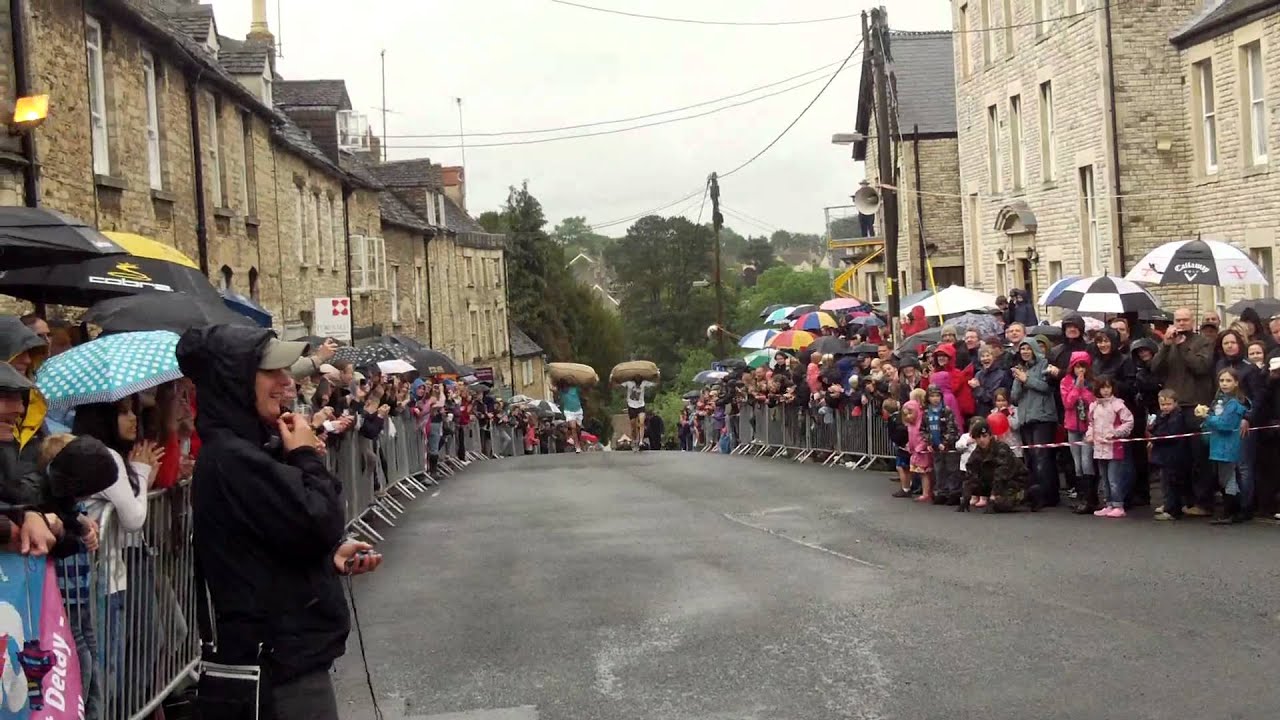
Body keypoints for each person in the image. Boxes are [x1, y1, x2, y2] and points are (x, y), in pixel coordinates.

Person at [176, 325, 382, 720]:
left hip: (288, 656)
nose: (286, 382)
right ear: (236, 381)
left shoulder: (249, 449)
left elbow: (267, 544)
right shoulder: (234, 458)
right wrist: (306, 457)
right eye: (271, 372)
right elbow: (318, 519)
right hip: (279, 664)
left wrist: (327, 557)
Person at [1151, 308, 1215, 515]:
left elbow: (1201, 367)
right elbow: (1155, 368)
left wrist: (1182, 345)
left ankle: (1202, 502)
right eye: (1178, 320)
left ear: (1192, 321)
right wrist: (1166, 346)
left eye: (1185, 320)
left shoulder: (1202, 342)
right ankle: (1176, 501)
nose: (1181, 323)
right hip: (1174, 407)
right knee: (1175, 458)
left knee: (1198, 457)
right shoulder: (1169, 343)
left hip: (1196, 405)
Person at [1198, 368, 1249, 525]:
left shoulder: (1233, 404)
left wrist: (1207, 417)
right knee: (1226, 479)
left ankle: (1231, 512)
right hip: (1219, 445)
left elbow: (1225, 425)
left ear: (1236, 383)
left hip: (1228, 446)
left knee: (1228, 480)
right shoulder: (1220, 401)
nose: (1224, 384)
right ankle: (1237, 511)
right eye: (1222, 381)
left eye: (1228, 381)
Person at [1085, 377, 1133, 518]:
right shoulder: (1094, 406)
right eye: (1102, 388)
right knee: (1104, 478)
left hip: (1114, 447)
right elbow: (1091, 424)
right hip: (1099, 448)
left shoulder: (1118, 405)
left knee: (1114, 478)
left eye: (1108, 387)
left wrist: (1115, 433)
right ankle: (1109, 504)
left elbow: (1128, 422)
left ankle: (1118, 504)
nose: (1106, 391)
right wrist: (1089, 435)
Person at [965, 418, 1033, 513]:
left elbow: (1001, 474)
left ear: (990, 436)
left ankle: (1028, 495)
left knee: (1001, 504)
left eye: (984, 436)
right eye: (978, 437)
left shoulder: (1001, 448)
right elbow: (970, 474)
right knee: (979, 484)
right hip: (997, 482)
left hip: (1016, 480)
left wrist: (994, 495)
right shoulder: (976, 454)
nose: (981, 440)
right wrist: (966, 496)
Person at [1150, 389, 1191, 521]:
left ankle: (1173, 510)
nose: (1165, 407)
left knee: (1172, 484)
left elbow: (1171, 435)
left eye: (1168, 404)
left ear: (1175, 403)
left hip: (1173, 455)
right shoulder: (1161, 416)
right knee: (1165, 483)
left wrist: (1156, 438)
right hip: (1164, 455)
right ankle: (1169, 504)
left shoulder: (1177, 417)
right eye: (1162, 404)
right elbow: (1157, 429)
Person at [619, 376, 656, 451]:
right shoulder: (629, 383)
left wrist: (657, 375)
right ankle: (635, 440)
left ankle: (641, 441)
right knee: (633, 427)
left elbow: (655, 384)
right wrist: (613, 379)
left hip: (641, 405)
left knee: (641, 423)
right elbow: (619, 385)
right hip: (631, 406)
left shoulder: (644, 383)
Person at [558, 380, 585, 454]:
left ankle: (579, 442)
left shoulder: (575, 389)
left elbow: (582, 388)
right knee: (573, 428)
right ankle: (577, 446)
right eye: (563, 387)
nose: (565, 388)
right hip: (568, 411)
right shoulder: (561, 392)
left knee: (578, 429)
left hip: (578, 410)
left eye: (565, 386)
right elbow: (553, 389)